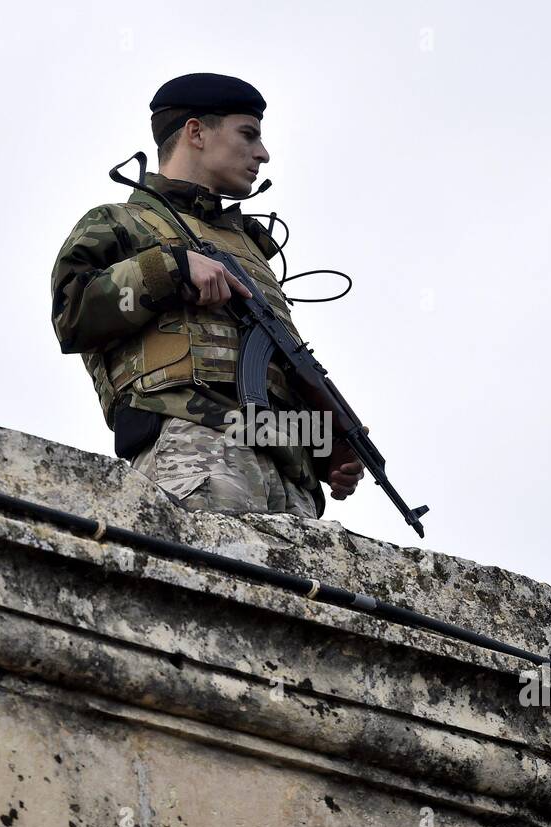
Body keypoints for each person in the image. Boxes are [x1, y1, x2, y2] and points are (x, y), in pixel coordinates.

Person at [50, 72, 364, 519]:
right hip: (197, 443)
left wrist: (324, 441)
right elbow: (72, 314)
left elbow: (276, 370)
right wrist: (170, 268)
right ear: (196, 132)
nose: (263, 153)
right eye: (248, 134)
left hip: (288, 475)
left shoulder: (250, 249)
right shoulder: (123, 222)